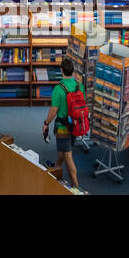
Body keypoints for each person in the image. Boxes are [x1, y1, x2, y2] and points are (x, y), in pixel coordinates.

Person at [43, 56, 84, 190]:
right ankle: (55, 167)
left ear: (62, 71)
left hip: (62, 127)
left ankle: (76, 187)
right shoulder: (79, 86)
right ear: (73, 71)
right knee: (64, 150)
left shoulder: (59, 89)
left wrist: (46, 123)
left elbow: (53, 111)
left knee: (68, 155)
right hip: (76, 125)